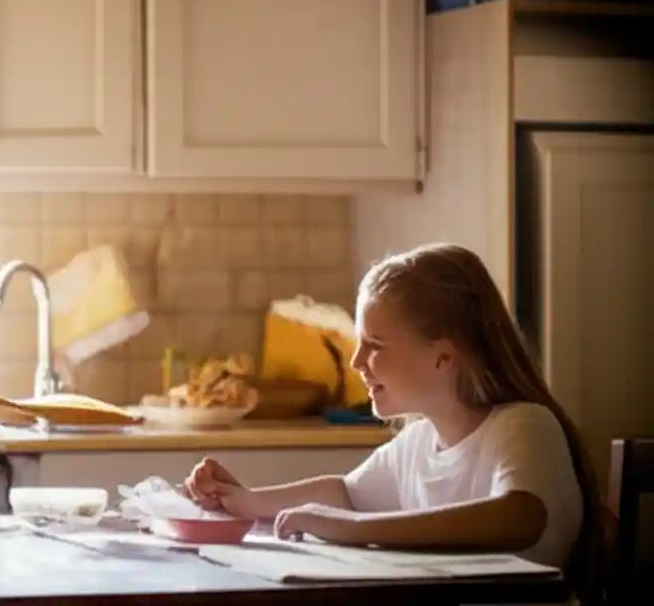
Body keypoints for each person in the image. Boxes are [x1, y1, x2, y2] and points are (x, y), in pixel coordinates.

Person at [182, 243, 602, 597]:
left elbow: (519, 518)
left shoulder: (524, 425)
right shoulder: (419, 442)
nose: (356, 361)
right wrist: (244, 499)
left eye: (375, 345)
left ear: (443, 357)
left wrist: (350, 528)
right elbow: (347, 495)